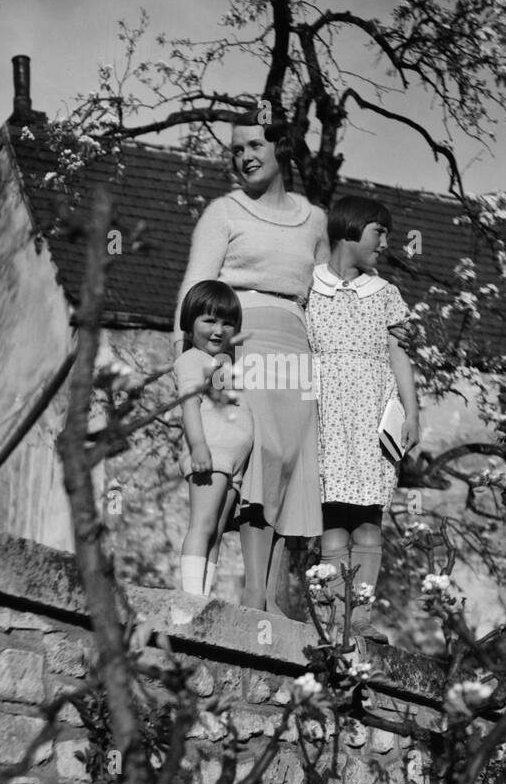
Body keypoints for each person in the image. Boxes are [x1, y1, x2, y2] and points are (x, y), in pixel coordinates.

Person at [173, 108, 329, 609]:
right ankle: (247, 596)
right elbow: (194, 291)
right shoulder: (224, 212)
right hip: (241, 345)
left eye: (254, 146)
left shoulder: (315, 219)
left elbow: (324, 296)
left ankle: (271, 595)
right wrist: (192, 372)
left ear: (281, 148)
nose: (244, 157)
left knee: (291, 467)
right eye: (236, 150)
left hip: (299, 351)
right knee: (255, 466)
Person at [306, 194, 420, 636]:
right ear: (350, 230)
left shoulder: (386, 293)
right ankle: (333, 620)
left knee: (369, 524)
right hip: (327, 420)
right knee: (333, 525)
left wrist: (412, 413)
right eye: (379, 231)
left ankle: (361, 619)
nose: (386, 241)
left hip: (372, 421)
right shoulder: (308, 287)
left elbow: (399, 353)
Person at [174, 280, 254, 596]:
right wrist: (198, 446)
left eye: (226, 322)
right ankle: (192, 597)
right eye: (209, 320)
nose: (218, 329)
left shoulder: (224, 364)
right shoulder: (192, 359)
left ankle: (204, 596)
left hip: (234, 463)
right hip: (211, 454)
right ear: (189, 323)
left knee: (217, 532)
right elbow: (189, 405)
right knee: (203, 525)